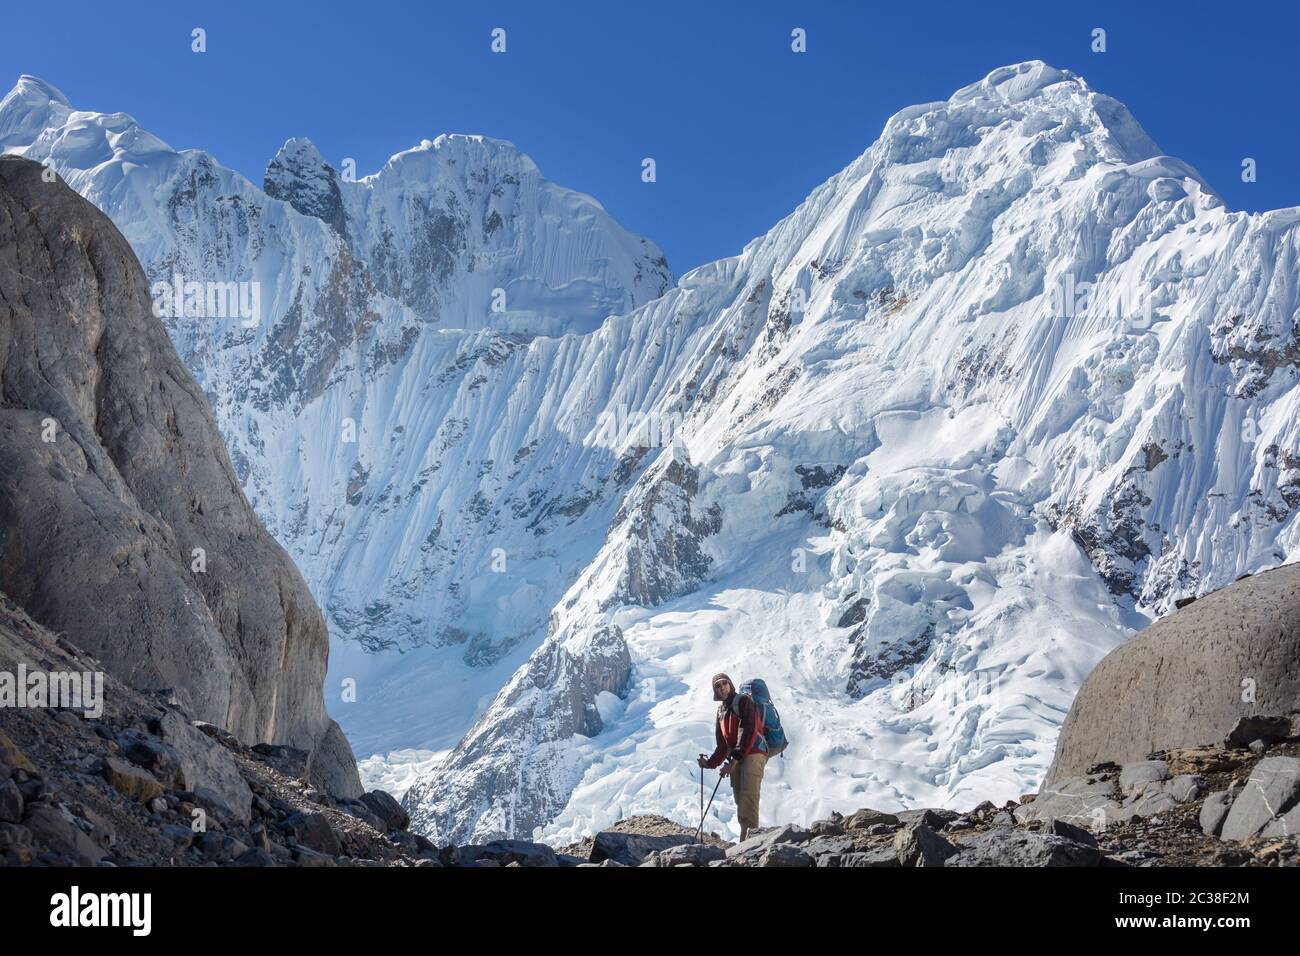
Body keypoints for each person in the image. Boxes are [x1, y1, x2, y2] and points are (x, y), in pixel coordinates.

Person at [697, 672, 768, 841]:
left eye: (724, 683)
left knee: (748, 797)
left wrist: (734, 761)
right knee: (739, 799)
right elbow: (723, 745)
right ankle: (747, 842)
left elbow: (747, 730)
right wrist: (709, 763)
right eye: (718, 686)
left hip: (753, 753)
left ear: (730, 684)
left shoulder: (743, 701)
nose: (722, 688)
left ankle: (748, 846)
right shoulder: (721, 711)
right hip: (737, 757)